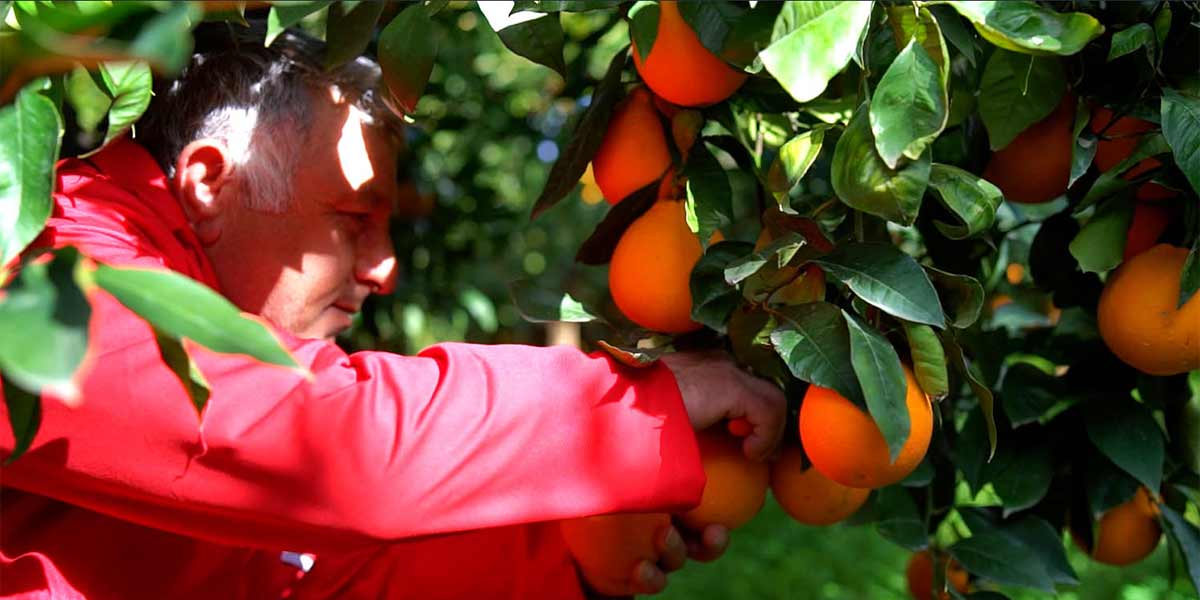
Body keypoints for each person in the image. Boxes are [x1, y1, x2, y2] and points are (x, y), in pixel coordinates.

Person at [0, 22, 785, 600]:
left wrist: (570, 561)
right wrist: (635, 407)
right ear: (211, 182)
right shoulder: (44, 271)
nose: (384, 268)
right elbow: (330, 444)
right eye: (352, 217)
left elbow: (312, 585)